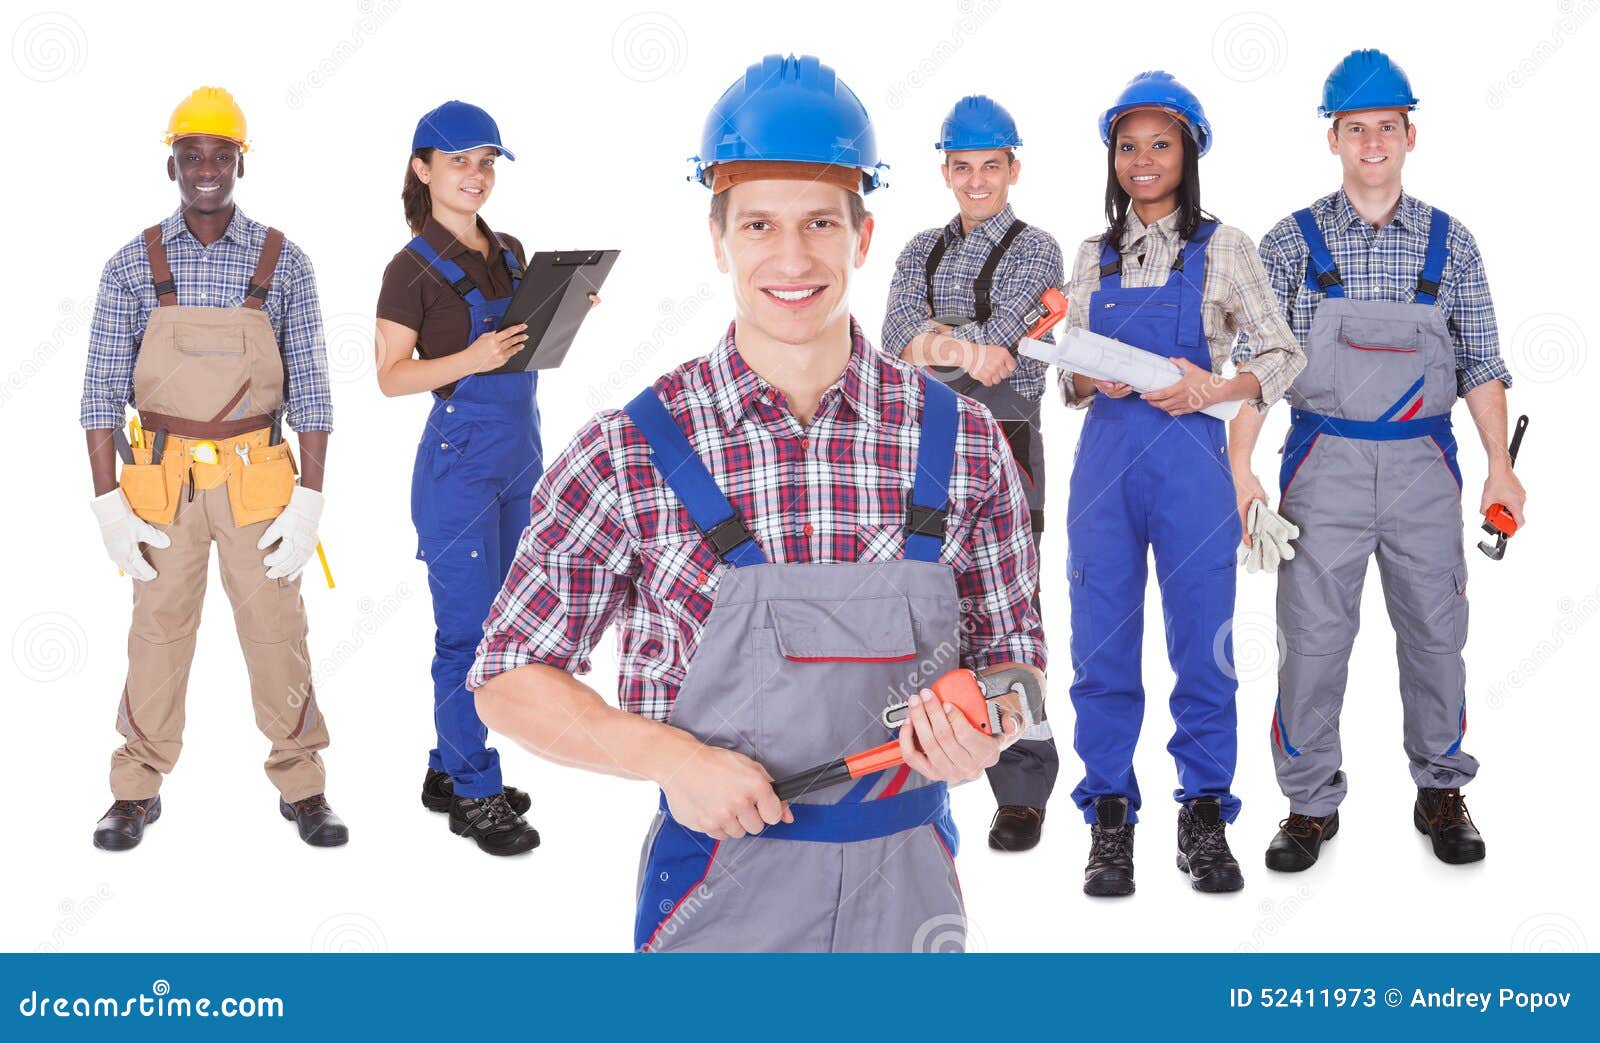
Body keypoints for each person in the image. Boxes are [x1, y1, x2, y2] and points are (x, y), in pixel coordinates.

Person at [469, 54, 1045, 952]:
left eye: (820, 222)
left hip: (912, 895)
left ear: (863, 235)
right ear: (718, 238)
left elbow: (1017, 666)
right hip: (718, 895)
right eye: (759, 224)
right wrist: (671, 760)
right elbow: (506, 678)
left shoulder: (965, 442)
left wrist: (989, 727)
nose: (791, 257)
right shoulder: (631, 450)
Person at [1249, 50, 1523, 873]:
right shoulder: (1291, 243)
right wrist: (1241, 470)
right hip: (1320, 464)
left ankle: (1440, 786)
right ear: (1333, 138)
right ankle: (1307, 803)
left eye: (1387, 127)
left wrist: (1500, 468)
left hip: (1423, 469)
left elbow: (1481, 364)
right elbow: (1254, 367)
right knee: (1312, 640)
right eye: (1356, 128)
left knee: (1438, 635)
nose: (1373, 142)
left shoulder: (1453, 243)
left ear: (1411, 136)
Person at [1059, 71, 1305, 896]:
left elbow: (1279, 355)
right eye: (1128, 146)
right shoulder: (1091, 253)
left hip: (1193, 461)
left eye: (1160, 144)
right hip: (1105, 462)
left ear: (1188, 151)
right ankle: (1109, 820)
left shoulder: (1225, 246)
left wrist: (1212, 386)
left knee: (1204, 643)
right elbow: (1069, 376)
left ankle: (1204, 812)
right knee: (1100, 645)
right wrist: (1098, 377)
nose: (1143, 160)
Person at [81, 86, 345, 850]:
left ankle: (304, 784)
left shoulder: (283, 262)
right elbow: (99, 394)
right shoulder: (133, 264)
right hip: (161, 480)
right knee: (156, 632)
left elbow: (315, 393)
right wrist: (107, 504)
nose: (206, 169)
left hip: (257, 475)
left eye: (220, 155)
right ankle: (134, 790)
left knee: (276, 630)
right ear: (172, 165)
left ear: (240, 163)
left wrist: (311, 503)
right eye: (192, 156)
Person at [881, 94, 1064, 852]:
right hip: (918, 437)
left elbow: (1004, 344)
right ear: (946, 169)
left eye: (992, 165)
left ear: (1013, 168)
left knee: (1009, 604)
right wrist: (958, 347)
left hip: (1005, 435)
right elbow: (892, 339)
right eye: (964, 166)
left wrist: (939, 339)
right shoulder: (918, 248)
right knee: (919, 596)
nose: (978, 179)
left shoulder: (1037, 248)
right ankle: (919, 753)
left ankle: (1021, 783)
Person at [374, 101, 556, 856]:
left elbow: (524, 349)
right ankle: (476, 792)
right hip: (457, 465)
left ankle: (448, 766)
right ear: (423, 169)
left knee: (511, 626)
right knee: (469, 635)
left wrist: (564, 310)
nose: (475, 175)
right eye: (459, 162)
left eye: (486, 162)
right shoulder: (408, 268)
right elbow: (390, 376)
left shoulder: (511, 251)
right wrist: (469, 361)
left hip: (521, 450)